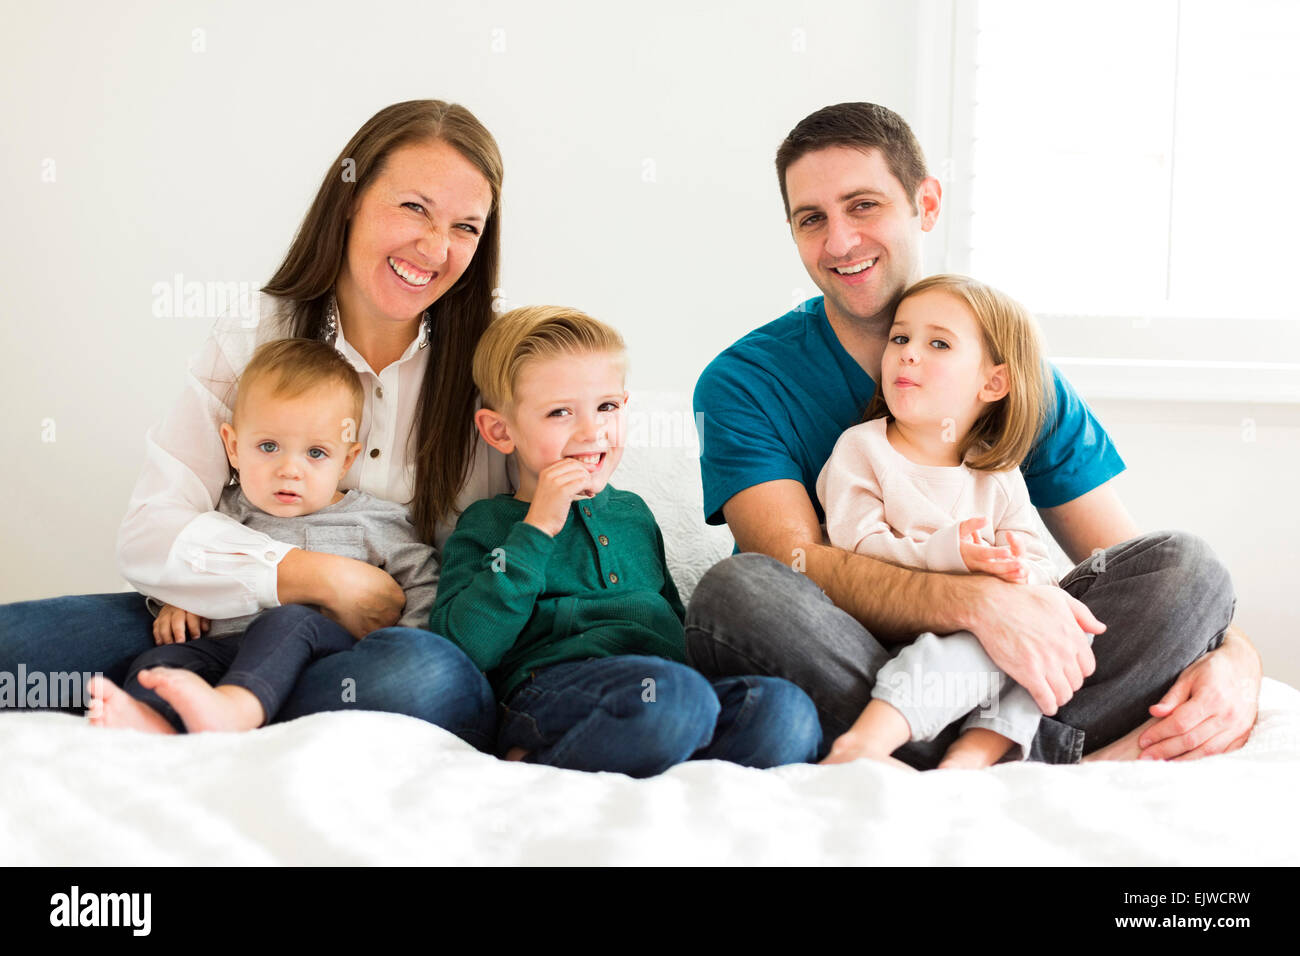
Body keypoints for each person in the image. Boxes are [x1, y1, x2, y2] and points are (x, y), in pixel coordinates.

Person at [687, 102, 1258, 767]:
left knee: (1187, 566)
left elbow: (1118, 562)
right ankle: (1026, 751)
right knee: (739, 590)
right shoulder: (743, 382)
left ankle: (980, 753)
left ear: (925, 203)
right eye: (812, 219)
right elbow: (798, 563)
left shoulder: (1010, 374)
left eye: (863, 205)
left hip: (1000, 671)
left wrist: (1235, 655)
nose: (839, 242)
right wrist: (980, 604)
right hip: (853, 659)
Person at [0, 100, 513, 750]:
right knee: (11, 651)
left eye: (466, 227)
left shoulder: (490, 363)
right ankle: (210, 702)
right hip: (224, 626)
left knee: (421, 679)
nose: (436, 248)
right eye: (414, 207)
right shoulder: (255, 334)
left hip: (386, 651)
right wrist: (317, 576)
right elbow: (153, 528)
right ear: (350, 199)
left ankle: (204, 709)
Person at [427, 305, 821, 777]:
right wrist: (537, 528)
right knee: (675, 699)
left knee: (786, 710)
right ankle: (541, 767)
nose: (592, 431)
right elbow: (462, 648)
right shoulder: (489, 522)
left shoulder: (634, 512)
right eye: (559, 412)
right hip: (553, 692)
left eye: (607, 407)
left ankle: (642, 761)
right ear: (500, 431)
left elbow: (673, 621)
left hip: (668, 688)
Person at [88, 339, 440, 734]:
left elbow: (423, 581)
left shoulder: (374, 520)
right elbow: (184, 554)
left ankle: (237, 710)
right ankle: (156, 721)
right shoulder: (225, 513)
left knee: (290, 621)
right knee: (161, 663)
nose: (290, 469)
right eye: (269, 446)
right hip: (224, 650)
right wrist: (178, 599)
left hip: (321, 659)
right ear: (234, 447)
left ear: (348, 459)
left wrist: (397, 648)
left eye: (316, 453)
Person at [817, 274, 1082, 770]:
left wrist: (1018, 570)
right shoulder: (862, 449)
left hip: (986, 644)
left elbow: (1036, 559)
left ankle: (974, 752)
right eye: (900, 338)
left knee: (1064, 622)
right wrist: (948, 555)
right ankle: (867, 742)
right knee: (970, 641)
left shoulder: (996, 472)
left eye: (937, 343)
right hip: (888, 633)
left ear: (993, 382)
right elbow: (856, 550)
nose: (908, 353)